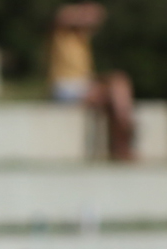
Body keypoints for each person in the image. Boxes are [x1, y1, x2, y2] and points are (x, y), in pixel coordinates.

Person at [49, 3, 134, 162]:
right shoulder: (62, 32)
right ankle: (124, 135)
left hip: (83, 86)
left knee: (118, 80)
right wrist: (86, 12)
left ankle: (123, 128)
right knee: (113, 97)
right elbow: (63, 16)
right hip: (65, 89)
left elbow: (98, 14)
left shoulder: (82, 38)